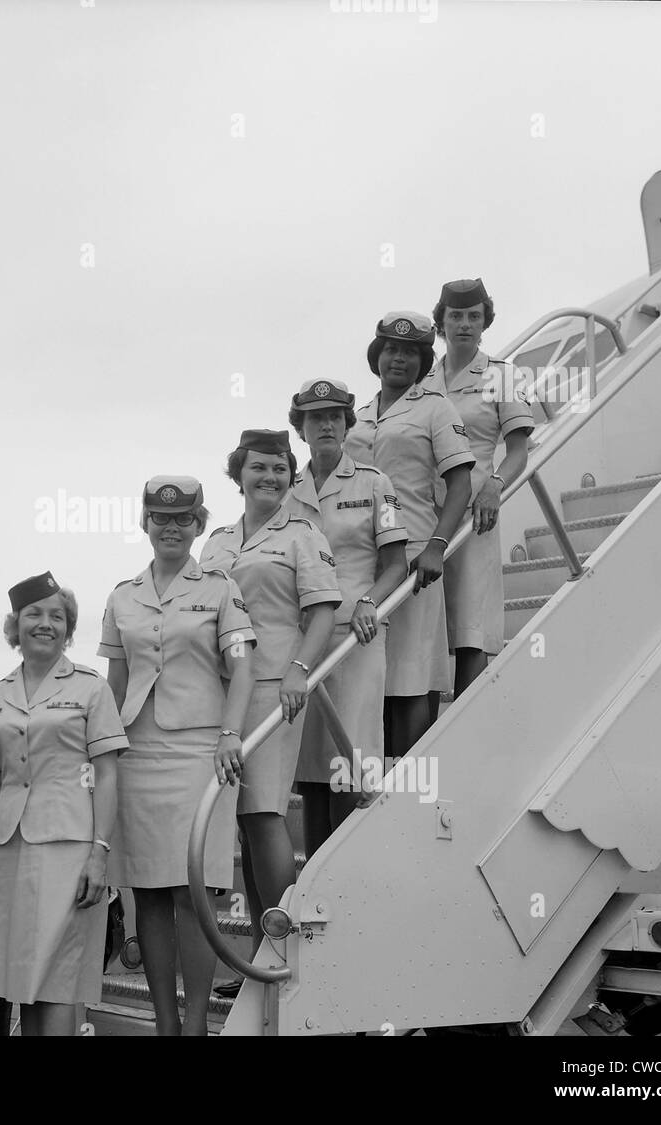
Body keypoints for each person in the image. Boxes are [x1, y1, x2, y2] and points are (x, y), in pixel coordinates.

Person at [99, 476, 257, 1035]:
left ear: (197, 524)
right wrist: (100, 753)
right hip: (137, 752)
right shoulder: (122, 596)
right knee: (148, 894)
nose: (171, 528)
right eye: (160, 519)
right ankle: (166, 1024)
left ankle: (194, 1025)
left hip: (201, 752)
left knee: (195, 891)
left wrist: (231, 734)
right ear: (145, 523)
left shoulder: (221, 589)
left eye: (183, 520)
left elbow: (244, 669)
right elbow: (115, 683)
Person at [0, 573, 128, 1037]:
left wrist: (100, 851)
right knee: (20, 979)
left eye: (57, 616)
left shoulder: (90, 688)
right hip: (7, 849)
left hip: (68, 846)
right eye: (34, 615)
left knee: (56, 978)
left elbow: (108, 771)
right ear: (15, 626)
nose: (46, 624)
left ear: (69, 628)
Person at [199, 430, 341, 951]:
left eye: (281, 468)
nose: (270, 477)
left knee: (263, 812)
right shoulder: (217, 540)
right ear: (238, 474)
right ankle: (264, 947)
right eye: (259, 467)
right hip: (217, 690)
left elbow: (323, 609)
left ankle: (287, 946)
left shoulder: (303, 533)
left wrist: (300, 669)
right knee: (240, 822)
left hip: (272, 687)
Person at [282, 380, 410, 856]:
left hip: (356, 636)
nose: (327, 425)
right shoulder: (287, 493)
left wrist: (370, 602)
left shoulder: (375, 483)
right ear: (301, 428)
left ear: (348, 422)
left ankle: (350, 865)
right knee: (311, 763)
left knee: (351, 758)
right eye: (316, 418)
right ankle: (314, 870)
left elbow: (396, 563)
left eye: (336, 416)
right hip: (301, 641)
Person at [344, 313, 475, 761]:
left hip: (416, 552)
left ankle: (410, 780)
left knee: (410, 673)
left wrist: (439, 544)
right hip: (364, 558)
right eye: (390, 349)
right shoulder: (357, 417)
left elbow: (459, 482)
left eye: (409, 353)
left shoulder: (436, 407)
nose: (397, 358)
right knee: (369, 671)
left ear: (422, 361)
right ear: (376, 355)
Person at [426, 278, 534, 697]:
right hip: (424, 513)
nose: (465, 325)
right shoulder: (424, 381)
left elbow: (519, 450)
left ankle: (465, 722)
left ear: (485, 321)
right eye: (456, 316)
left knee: (470, 626)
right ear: (442, 322)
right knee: (427, 627)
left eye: (474, 316)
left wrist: (495, 484)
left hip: (474, 513)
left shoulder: (500, 376)